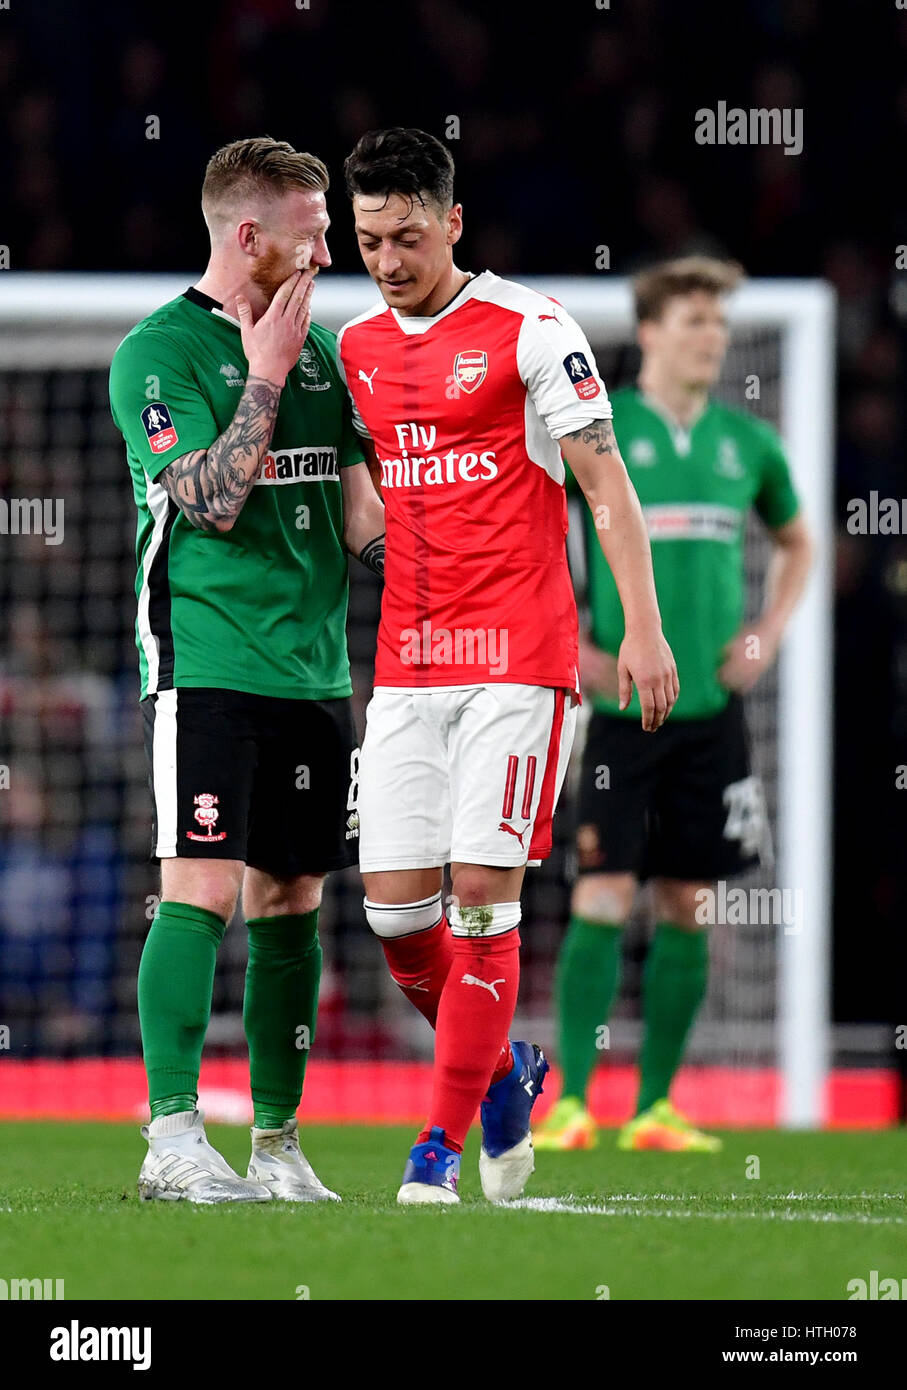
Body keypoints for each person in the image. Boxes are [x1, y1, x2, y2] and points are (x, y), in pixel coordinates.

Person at [336, 128, 677, 1204]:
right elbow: (365, 500)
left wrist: (643, 625)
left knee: (482, 895)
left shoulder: (532, 326)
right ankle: (498, 1083)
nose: (387, 259)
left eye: (405, 236)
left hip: (519, 664)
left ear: (452, 221)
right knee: (394, 916)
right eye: (366, 238)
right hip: (406, 667)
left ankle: (434, 1151)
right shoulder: (354, 348)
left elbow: (603, 481)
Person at [109, 136, 386, 1203]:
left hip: (316, 673)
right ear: (249, 236)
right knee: (202, 888)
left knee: (293, 901)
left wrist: (456, 573)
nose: (331, 249)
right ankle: (173, 1138)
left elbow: (361, 515)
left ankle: (277, 1146)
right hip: (207, 659)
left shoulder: (326, 354)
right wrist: (261, 373)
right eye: (315, 232)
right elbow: (211, 500)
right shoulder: (157, 353)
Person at [535, 257, 812, 1153]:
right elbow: (537, 537)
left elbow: (799, 542)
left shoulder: (747, 445)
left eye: (718, 324)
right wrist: (570, 647)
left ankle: (653, 1108)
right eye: (694, 321)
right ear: (649, 331)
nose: (711, 338)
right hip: (620, 712)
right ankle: (574, 1101)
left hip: (709, 715)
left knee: (691, 903)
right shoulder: (600, 432)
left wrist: (765, 634)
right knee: (604, 894)